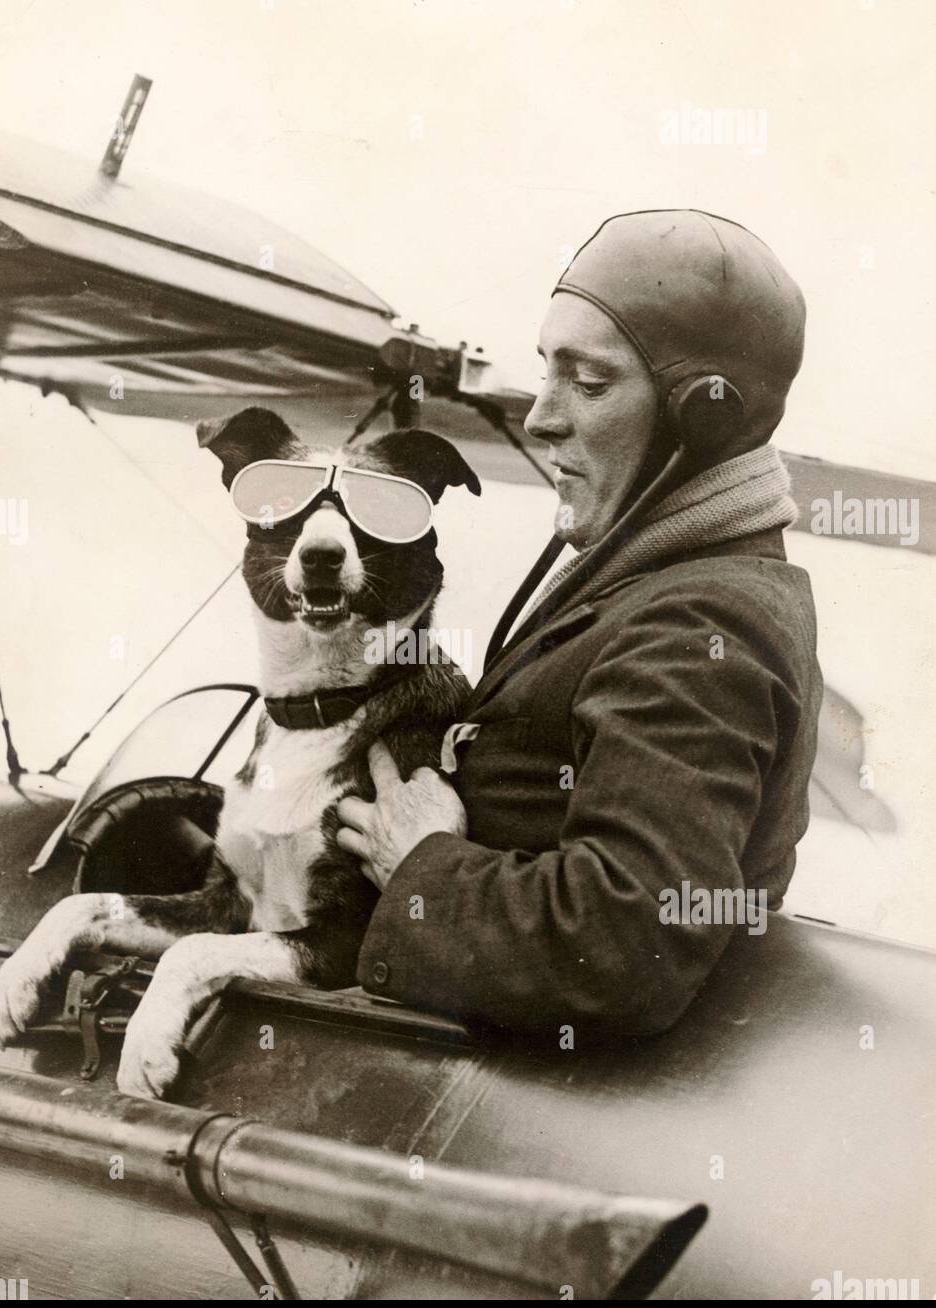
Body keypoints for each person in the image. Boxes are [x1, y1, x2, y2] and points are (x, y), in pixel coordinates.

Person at [335, 209, 824, 1035]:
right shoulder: (649, 585)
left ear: (700, 420)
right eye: (544, 371)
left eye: (588, 383)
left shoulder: (700, 628)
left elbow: (626, 942)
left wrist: (422, 867)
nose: (540, 417)